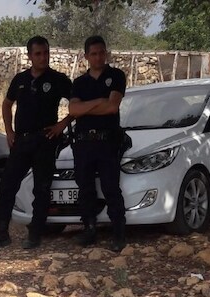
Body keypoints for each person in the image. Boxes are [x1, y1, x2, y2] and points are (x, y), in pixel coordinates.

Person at [0, 36, 73, 250]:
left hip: (45, 139)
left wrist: (62, 124)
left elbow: (77, 104)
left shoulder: (58, 79)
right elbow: (6, 105)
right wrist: (9, 131)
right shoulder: (20, 79)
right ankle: (0, 233)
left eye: (46, 53)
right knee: (8, 185)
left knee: (41, 188)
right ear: (30, 56)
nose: (43, 57)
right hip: (21, 140)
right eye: (38, 54)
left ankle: (35, 234)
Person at [68, 35, 128, 252]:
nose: (98, 57)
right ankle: (89, 229)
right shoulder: (79, 83)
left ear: (106, 53)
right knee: (85, 188)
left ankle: (118, 233)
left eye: (102, 52)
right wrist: (99, 102)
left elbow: (112, 107)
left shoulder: (116, 75)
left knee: (111, 187)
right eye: (93, 54)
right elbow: (73, 110)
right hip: (84, 142)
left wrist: (86, 107)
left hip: (107, 141)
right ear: (86, 56)